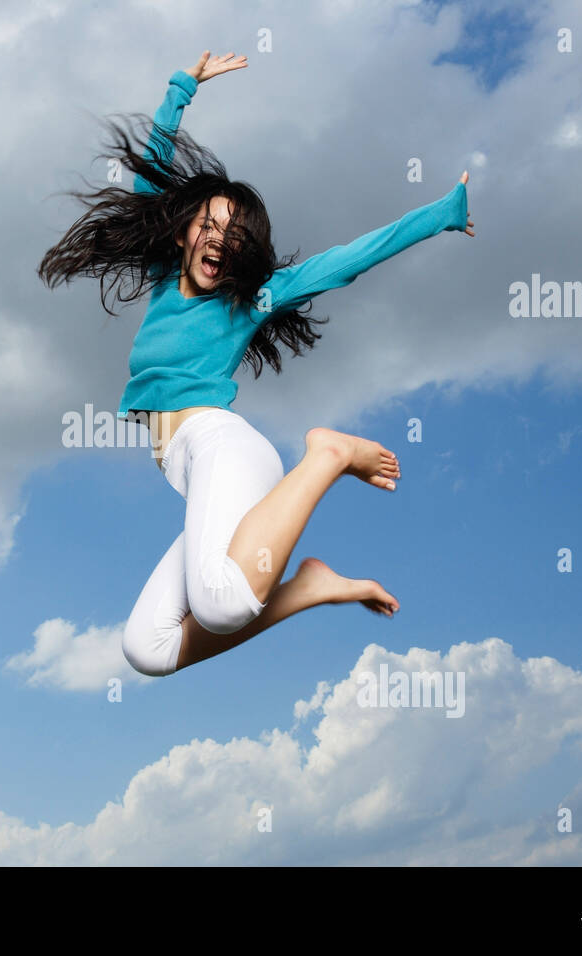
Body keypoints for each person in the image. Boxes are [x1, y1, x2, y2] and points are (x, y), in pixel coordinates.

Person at [38, 51, 475, 677]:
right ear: (186, 231)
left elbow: (345, 261)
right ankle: (309, 587)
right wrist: (182, 88)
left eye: (235, 233)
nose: (220, 238)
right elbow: (150, 178)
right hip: (194, 474)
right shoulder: (165, 280)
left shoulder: (251, 300)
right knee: (147, 650)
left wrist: (441, 215)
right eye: (209, 225)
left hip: (223, 449)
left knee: (217, 607)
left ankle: (327, 453)